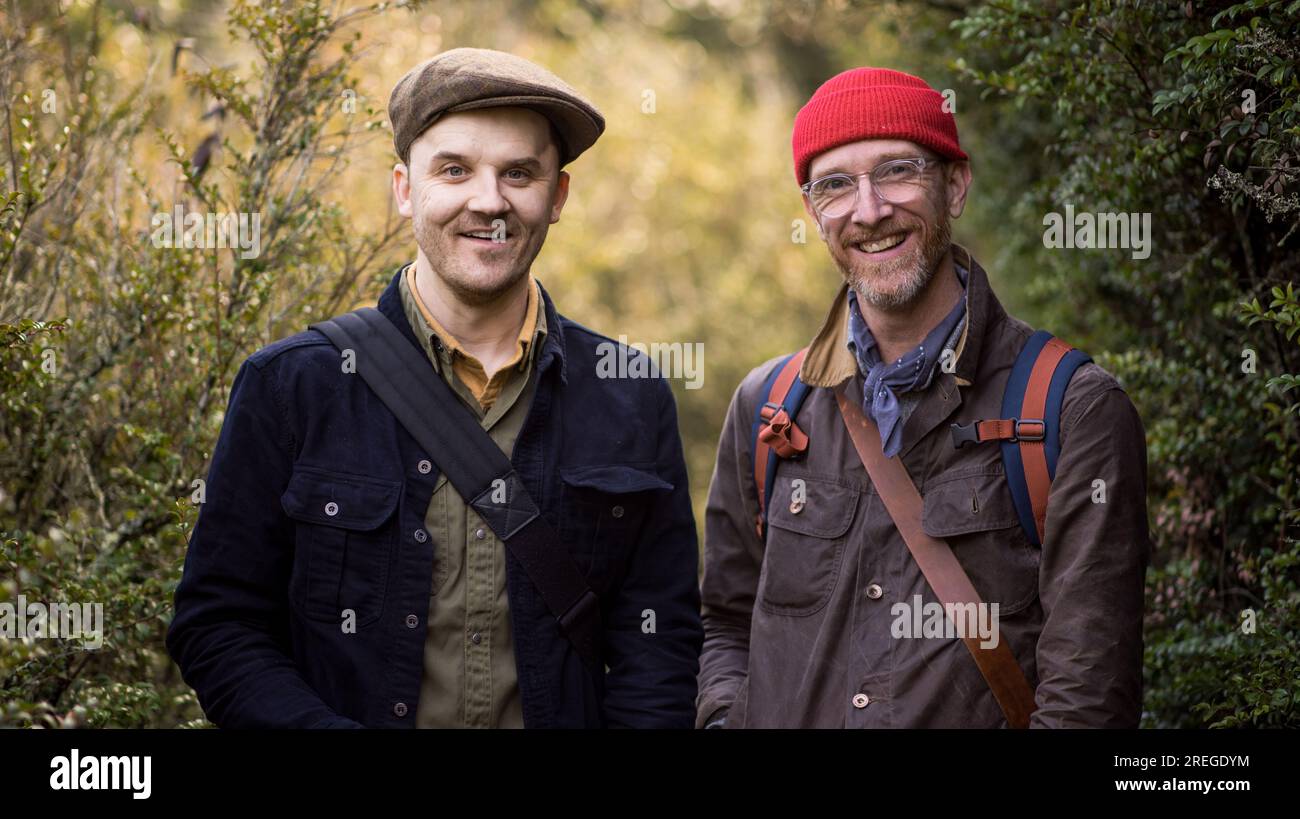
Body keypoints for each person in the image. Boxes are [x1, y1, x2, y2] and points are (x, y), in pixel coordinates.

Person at [167, 48, 703, 728]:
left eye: (519, 173)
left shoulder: (629, 396)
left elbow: (658, 644)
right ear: (404, 189)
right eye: (455, 170)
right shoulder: (292, 385)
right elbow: (218, 624)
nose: (489, 201)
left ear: (557, 195)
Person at [696, 67, 1150, 728]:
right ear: (812, 213)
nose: (870, 209)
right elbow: (726, 624)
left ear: (956, 185)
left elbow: (1089, 702)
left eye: (897, 171)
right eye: (836, 185)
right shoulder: (768, 406)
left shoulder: (1071, 411)